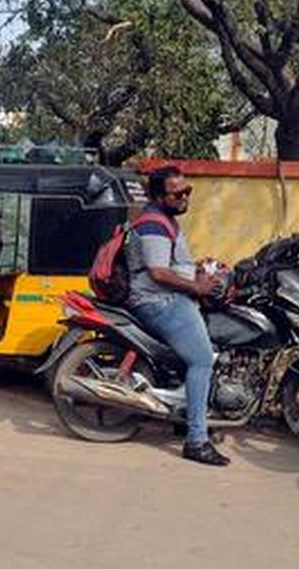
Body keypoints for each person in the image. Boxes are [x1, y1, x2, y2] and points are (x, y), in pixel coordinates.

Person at [125, 166, 226, 467]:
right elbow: (158, 272)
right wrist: (196, 285)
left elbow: (172, 263)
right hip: (159, 301)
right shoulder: (155, 223)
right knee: (202, 359)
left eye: (187, 191)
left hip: (168, 296)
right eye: (177, 193)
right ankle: (196, 439)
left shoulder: (165, 219)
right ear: (159, 195)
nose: (185, 197)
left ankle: (188, 412)